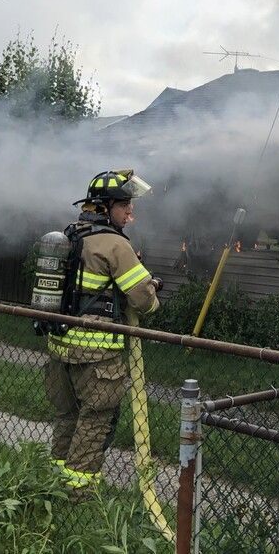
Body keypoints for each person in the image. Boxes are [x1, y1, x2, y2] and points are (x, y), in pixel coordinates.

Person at [45, 169, 162, 490]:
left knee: (67, 418)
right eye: (124, 204)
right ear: (104, 205)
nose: (130, 211)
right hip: (97, 357)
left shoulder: (71, 234)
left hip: (60, 348)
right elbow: (141, 300)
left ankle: (51, 484)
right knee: (94, 423)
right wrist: (153, 291)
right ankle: (77, 492)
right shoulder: (114, 244)